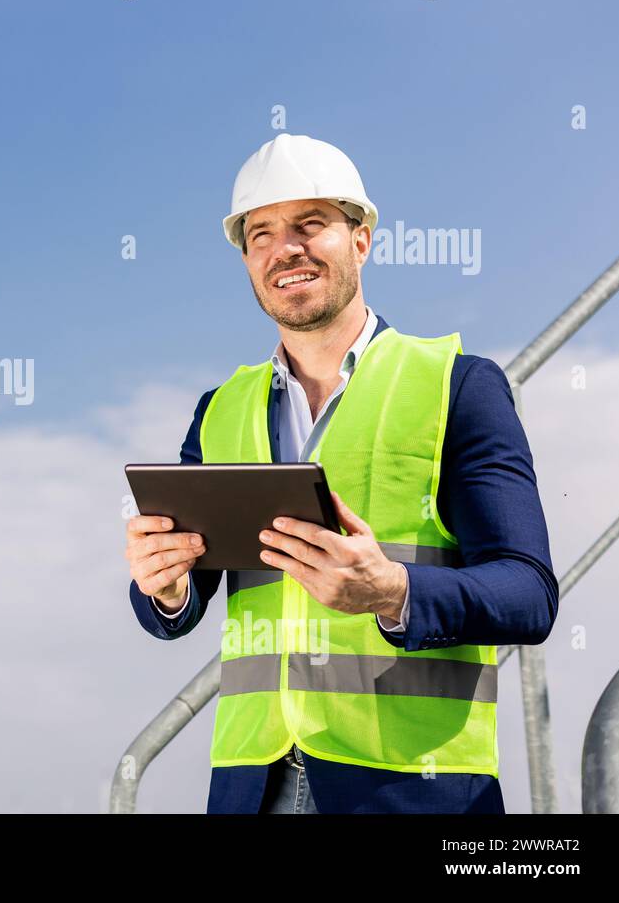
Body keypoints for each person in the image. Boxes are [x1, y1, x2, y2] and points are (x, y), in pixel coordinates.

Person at [125, 133, 558, 813]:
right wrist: (165, 586)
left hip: (414, 790)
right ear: (245, 258)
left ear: (360, 239)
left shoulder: (455, 385)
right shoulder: (219, 412)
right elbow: (173, 611)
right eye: (261, 233)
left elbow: (528, 594)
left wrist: (393, 592)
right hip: (251, 786)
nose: (285, 249)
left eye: (310, 224)